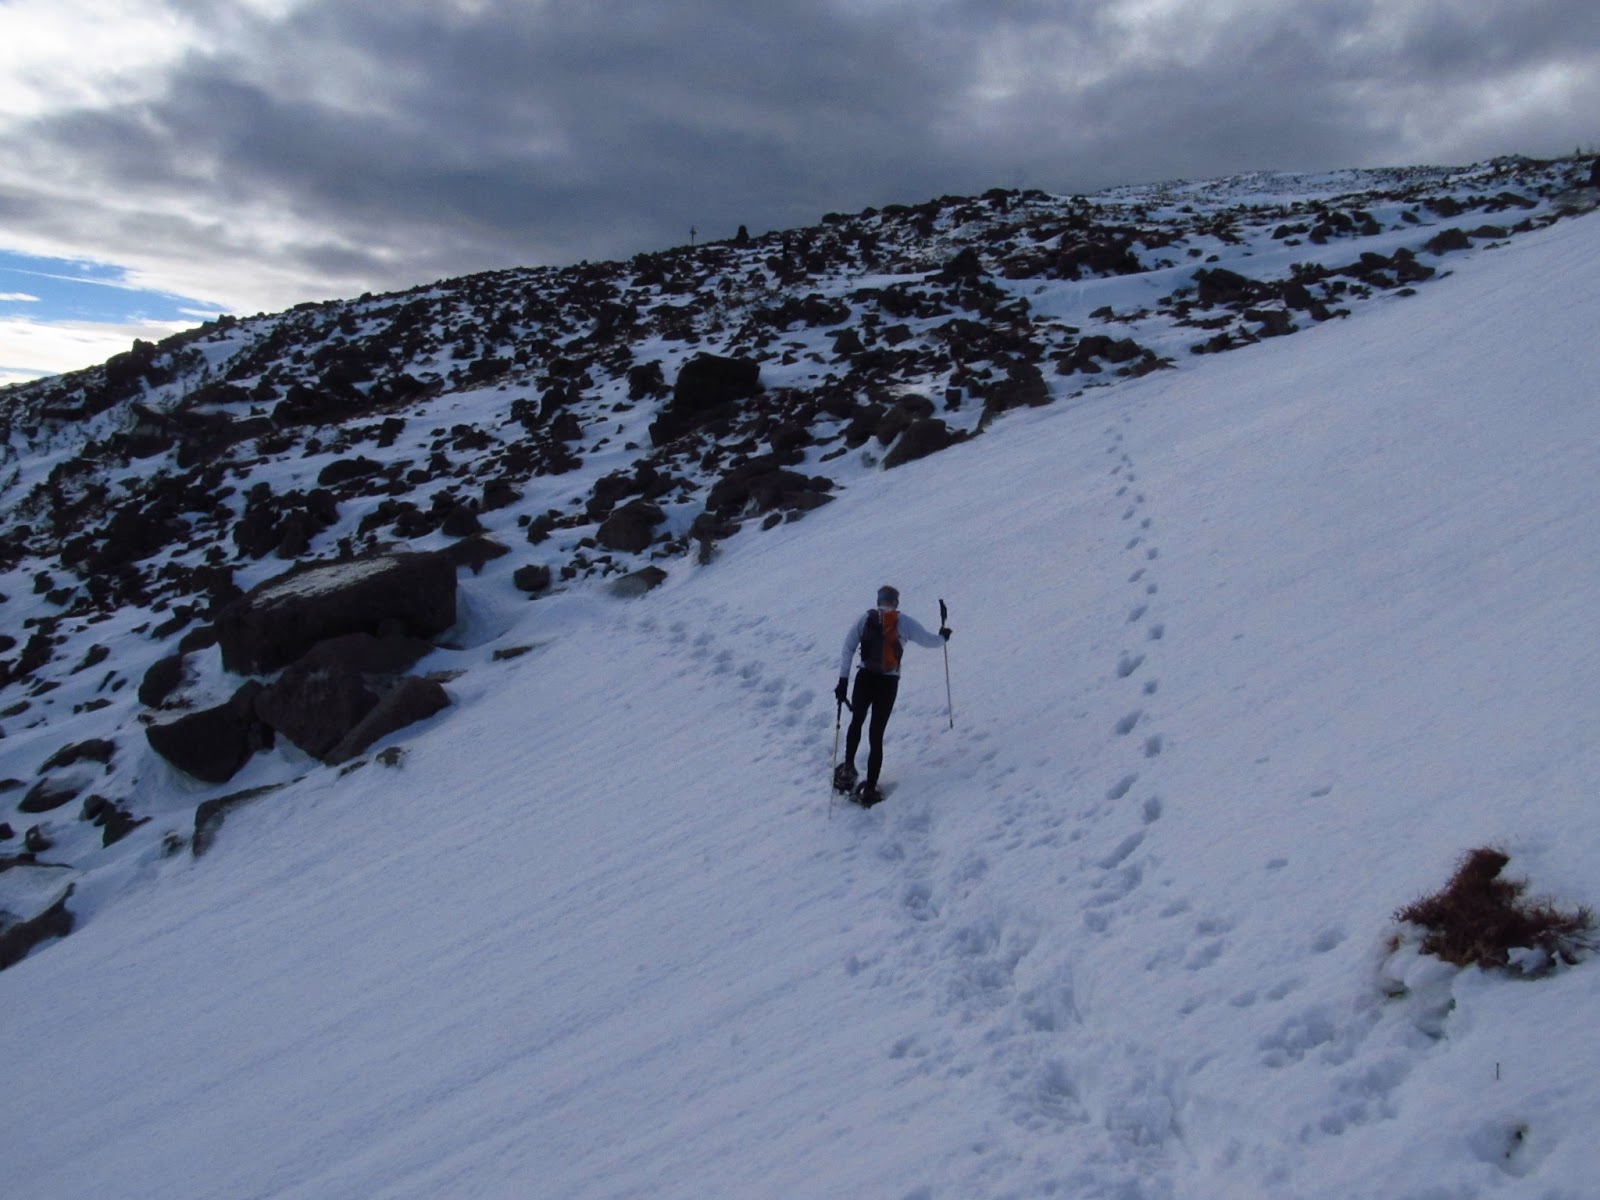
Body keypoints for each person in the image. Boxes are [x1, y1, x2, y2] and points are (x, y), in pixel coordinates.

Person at [833, 585, 951, 806]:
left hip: (864, 677)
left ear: (878, 599)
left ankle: (847, 770)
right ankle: (870, 787)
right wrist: (943, 637)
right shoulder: (903, 622)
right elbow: (928, 641)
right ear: (896, 602)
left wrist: (842, 681)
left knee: (856, 721)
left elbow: (848, 648)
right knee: (876, 734)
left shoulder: (865, 619)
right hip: (888, 682)